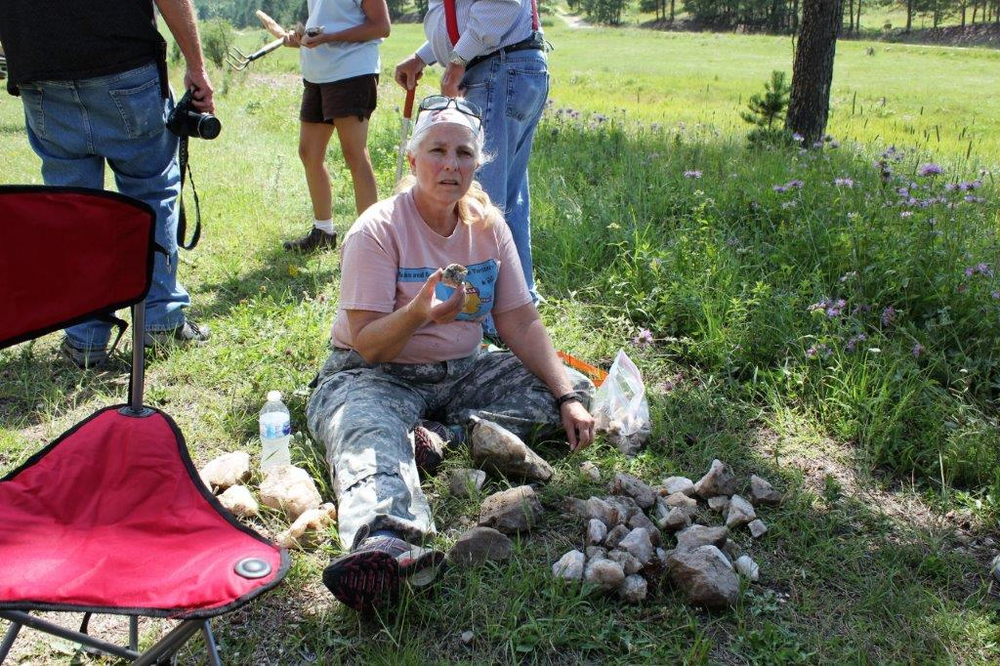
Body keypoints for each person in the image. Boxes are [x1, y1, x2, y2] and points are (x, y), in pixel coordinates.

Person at [306, 98, 594, 611]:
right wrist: (419, 313)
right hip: (374, 375)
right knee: (368, 434)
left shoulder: (488, 227)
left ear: (477, 164)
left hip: (461, 372)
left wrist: (566, 395)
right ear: (413, 159)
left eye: (463, 153)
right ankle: (385, 542)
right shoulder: (377, 230)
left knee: (569, 390)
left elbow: (519, 319)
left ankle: (443, 436)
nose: (450, 165)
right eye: (437, 151)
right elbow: (368, 343)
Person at [0, 0, 214, 369]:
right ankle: (160, 322)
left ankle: (85, 339)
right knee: (151, 191)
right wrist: (197, 67)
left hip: (40, 75)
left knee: (72, 210)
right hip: (124, 65)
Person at [393, 0, 549, 303]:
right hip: (506, 64)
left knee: (478, 196)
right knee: (507, 195)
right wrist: (423, 56)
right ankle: (519, 299)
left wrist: (458, 60)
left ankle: (480, 310)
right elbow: (465, 15)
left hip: (498, 66)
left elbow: (502, 6)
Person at [280, 0, 390, 252]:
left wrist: (329, 37)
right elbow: (327, 20)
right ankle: (323, 232)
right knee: (309, 153)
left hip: (352, 71)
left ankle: (371, 242)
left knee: (354, 153)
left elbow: (381, 27)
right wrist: (301, 37)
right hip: (317, 74)